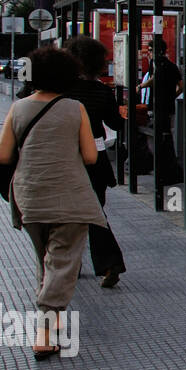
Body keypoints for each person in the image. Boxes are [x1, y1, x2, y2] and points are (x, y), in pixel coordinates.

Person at [0, 47, 108, 359]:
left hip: (29, 196)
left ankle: (53, 322)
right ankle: (44, 333)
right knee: (62, 263)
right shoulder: (75, 108)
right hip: (70, 196)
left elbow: (3, 156)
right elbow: (90, 156)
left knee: (46, 261)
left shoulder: (18, 109)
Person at [64, 36, 127, 288]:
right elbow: (115, 124)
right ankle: (109, 262)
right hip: (97, 160)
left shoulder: (62, 90)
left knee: (67, 213)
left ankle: (71, 264)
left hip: (67, 158)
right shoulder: (101, 91)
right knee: (95, 211)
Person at [135, 35, 182, 186]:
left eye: (149, 50)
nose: (148, 53)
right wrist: (171, 96)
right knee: (165, 137)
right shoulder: (171, 66)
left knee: (158, 137)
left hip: (159, 108)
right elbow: (181, 86)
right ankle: (167, 168)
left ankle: (165, 169)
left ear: (156, 51)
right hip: (166, 107)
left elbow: (154, 79)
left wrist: (141, 86)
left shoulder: (158, 65)